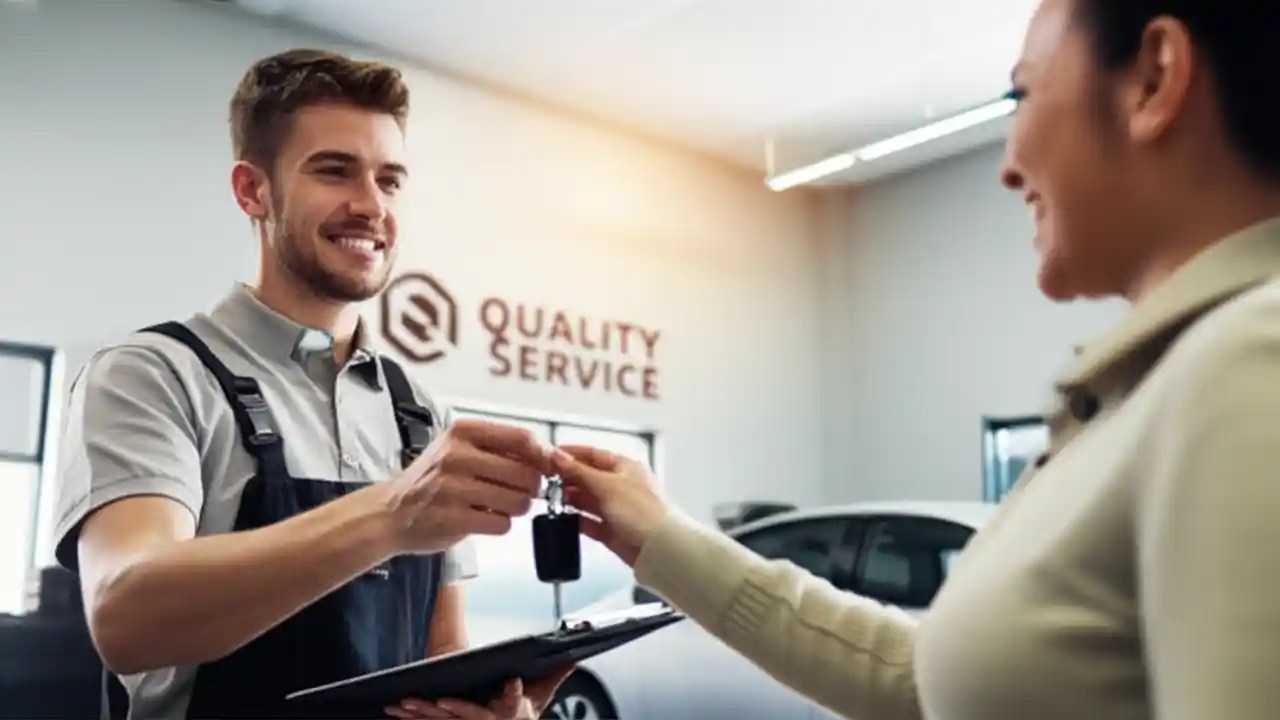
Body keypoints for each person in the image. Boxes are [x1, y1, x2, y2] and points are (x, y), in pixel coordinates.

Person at [549, 0, 1280, 718]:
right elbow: (922, 680)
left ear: (1154, 78)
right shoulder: (1164, 390)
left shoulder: (1249, 364)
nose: (1009, 166)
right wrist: (663, 539)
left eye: (1022, 95)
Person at [52, 49, 570, 720]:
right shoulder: (152, 375)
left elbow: (442, 650)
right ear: (252, 190)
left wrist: (487, 710)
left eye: (390, 181)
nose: (371, 205)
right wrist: (392, 515)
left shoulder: (420, 413)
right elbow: (127, 618)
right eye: (334, 171)